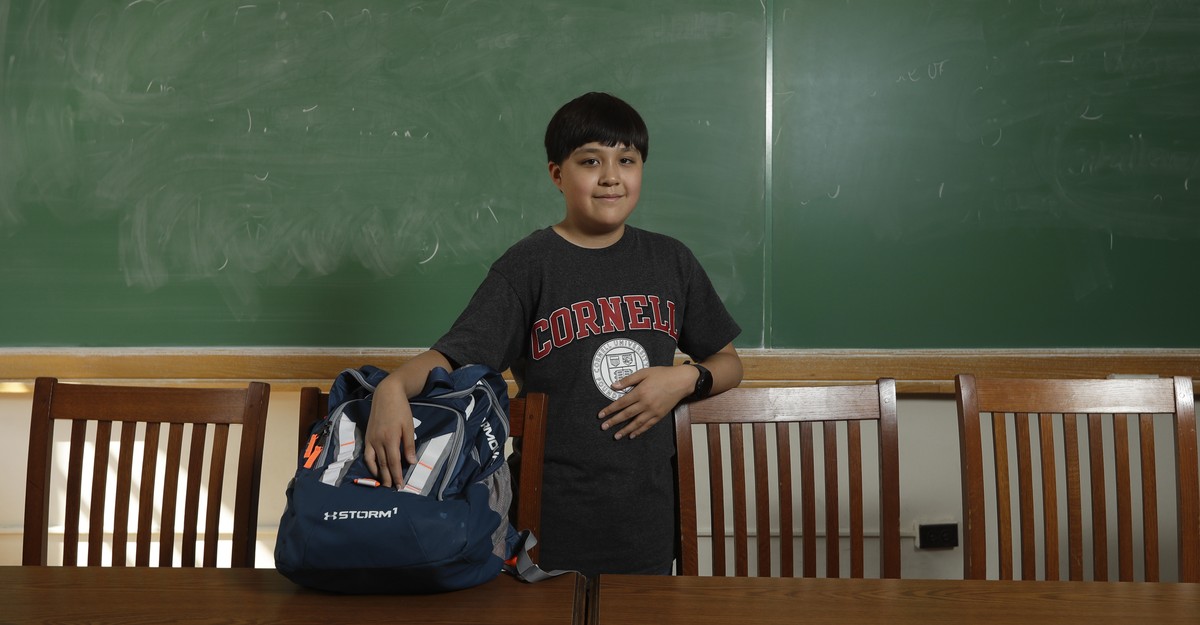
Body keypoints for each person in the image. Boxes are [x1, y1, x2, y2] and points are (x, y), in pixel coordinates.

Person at [364, 92, 743, 577]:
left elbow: (729, 363)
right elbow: (453, 357)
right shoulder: (529, 265)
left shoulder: (671, 261)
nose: (611, 176)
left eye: (626, 160)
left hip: (646, 520)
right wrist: (393, 387)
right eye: (591, 161)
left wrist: (686, 380)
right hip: (547, 523)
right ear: (557, 174)